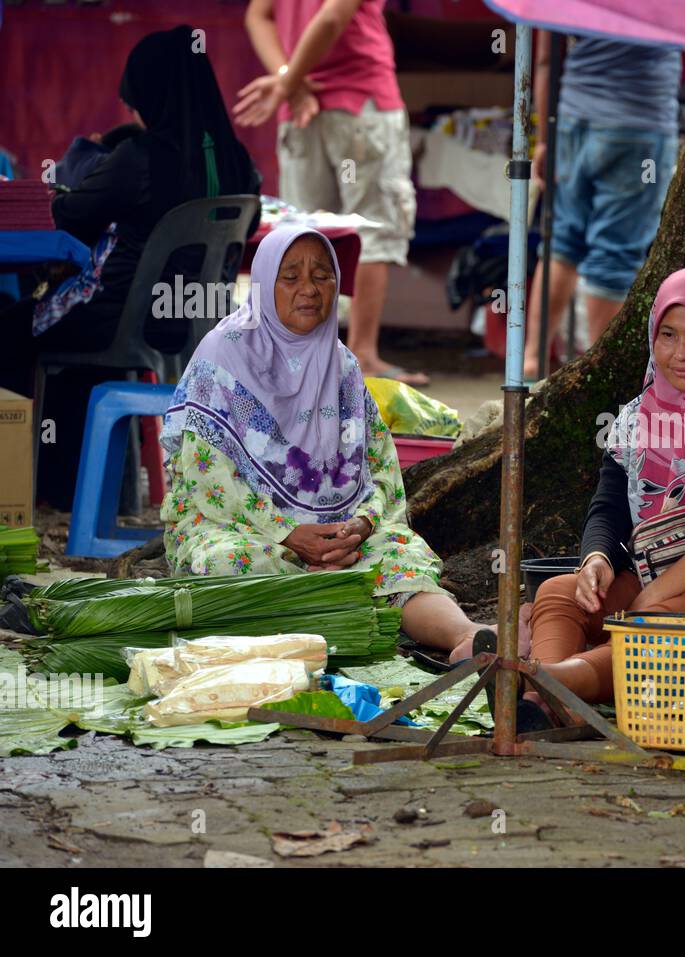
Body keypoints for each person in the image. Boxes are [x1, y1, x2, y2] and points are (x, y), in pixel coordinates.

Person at [488, 266, 685, 728]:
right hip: (657, 571)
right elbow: (608, 507)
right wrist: (595, 560)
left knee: (655, 622)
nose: (680, 354)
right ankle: (550, 702)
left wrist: (657, 590)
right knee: (560, 593)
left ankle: (553, 684)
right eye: (668, 335)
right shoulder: (639, 413)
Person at [159, 226, 486, 652]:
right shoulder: (222, 356)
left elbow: (380, 465)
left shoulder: (341, 365)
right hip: (238, 527)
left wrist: (361, 524)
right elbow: (208, 483)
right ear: (263, 284)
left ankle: (466, 638)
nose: (309, 290)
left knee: (399, 550)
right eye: (290, 277)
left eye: (322, 275)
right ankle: (331, 614)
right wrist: (289, 533)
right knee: (229, 562)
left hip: (337, 539)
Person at [0, 25, 262, 507]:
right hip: (190, 324)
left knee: (9, 328)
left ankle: (16, 492)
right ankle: (74, 492)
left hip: (119, 322)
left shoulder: (139, 157)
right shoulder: (238, 161)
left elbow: (69, 215)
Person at [236, 0, 426, 386]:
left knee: (301, 234)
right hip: (361, 103)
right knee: (372, 229)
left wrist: (289, 79)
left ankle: (301, 360)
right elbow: (334, 15)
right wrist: (289, 82)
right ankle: (363, 355)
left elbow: (258, 14)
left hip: (301, 110)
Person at [521, 33, 680, 380]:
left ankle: (531, 360)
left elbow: (547, 59)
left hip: (573, 121)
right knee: (614, 256)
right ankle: (600, 376)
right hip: (637, 121)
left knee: (563, 244)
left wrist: (545, 140)